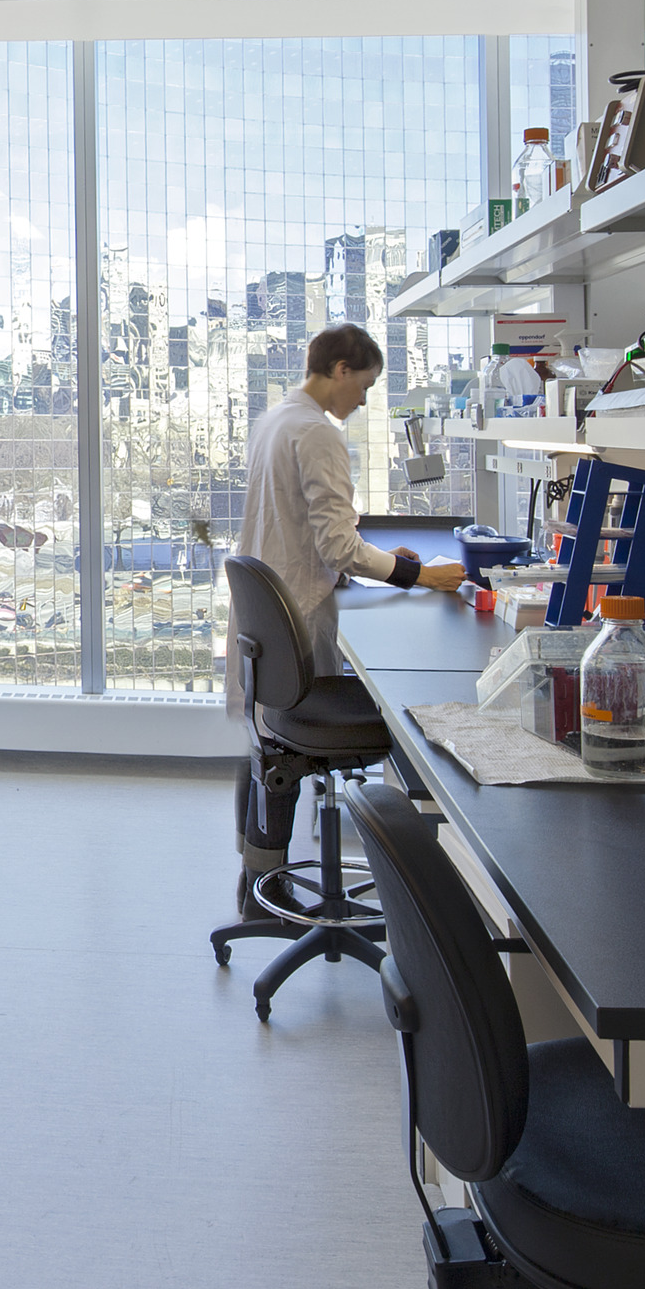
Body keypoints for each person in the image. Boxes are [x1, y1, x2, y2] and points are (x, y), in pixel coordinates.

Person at [229, 323, 464, 912]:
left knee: (264, 746)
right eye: (364, 385)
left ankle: (260, 881)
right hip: (298, 621)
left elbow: (302, 525)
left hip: (269, 621)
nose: (363, 400)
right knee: (388, 717)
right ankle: (280, 888)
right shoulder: (318, 434)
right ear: (340, 369)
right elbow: (337, 546)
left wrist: (379, 561)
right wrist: (418, 576)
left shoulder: (276, 419)